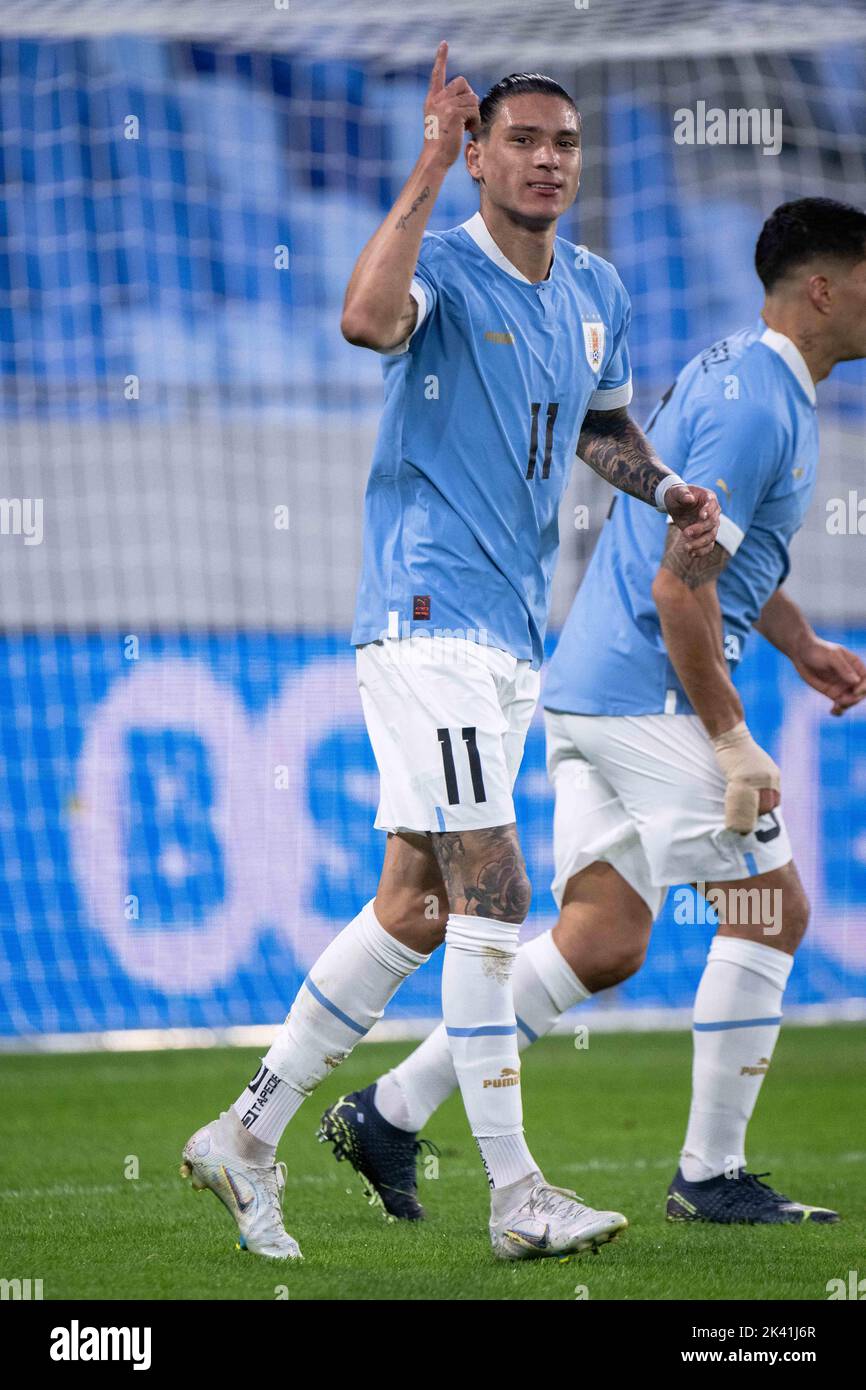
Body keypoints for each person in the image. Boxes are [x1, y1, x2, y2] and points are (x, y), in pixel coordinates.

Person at [180, 42, 718, 1260]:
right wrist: (422, 164)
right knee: (498, 888)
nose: (543, 159)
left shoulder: (594, 291)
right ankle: (516, 1193)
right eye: (518, 141)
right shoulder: (446, 271)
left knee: (417, 905)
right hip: (430, 617)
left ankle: (247, 1131)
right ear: (479, 155)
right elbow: (364, 319)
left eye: (561, 144)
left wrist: (662, 484)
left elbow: (601, 424)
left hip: (506, 635)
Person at [324, 196, 866, 1228]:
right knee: (772, 907)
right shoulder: (760, 406)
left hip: (587, 688)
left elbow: (718, 552)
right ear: (823, 290)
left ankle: (391, 1110)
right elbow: (677, 588)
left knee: (605, 934)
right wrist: (731, 738)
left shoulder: (738, 375)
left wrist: (798, 646)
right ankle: (709, 1175)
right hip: (645, 693)